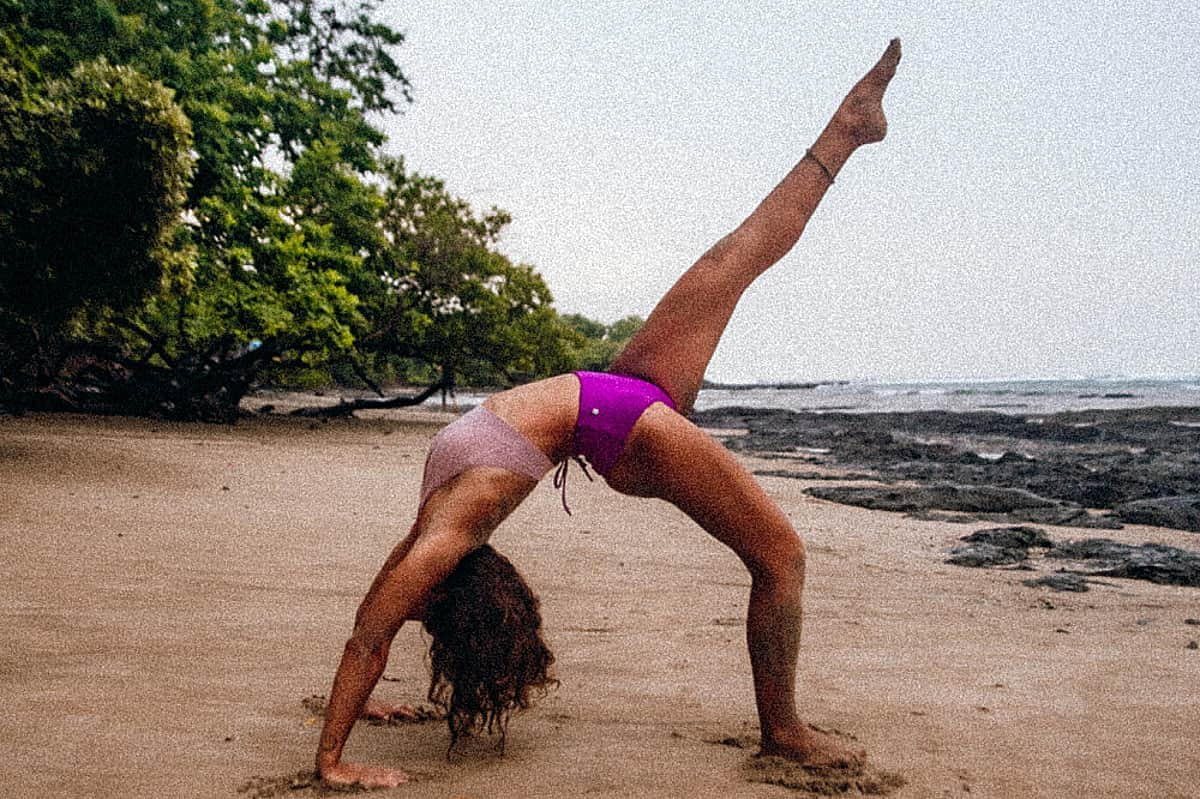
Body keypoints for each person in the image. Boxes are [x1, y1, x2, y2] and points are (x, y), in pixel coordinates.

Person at [317, 39, 902, 789]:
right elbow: (372, 627)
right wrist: (331, 760)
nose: (411, 605)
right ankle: (783, 729)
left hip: (612, 397)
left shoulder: (439, 536)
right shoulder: (448, 530)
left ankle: (847, 128)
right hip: (617, 425)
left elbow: (374, 621)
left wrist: (357, 712)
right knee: (780, 556)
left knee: (735, 259)